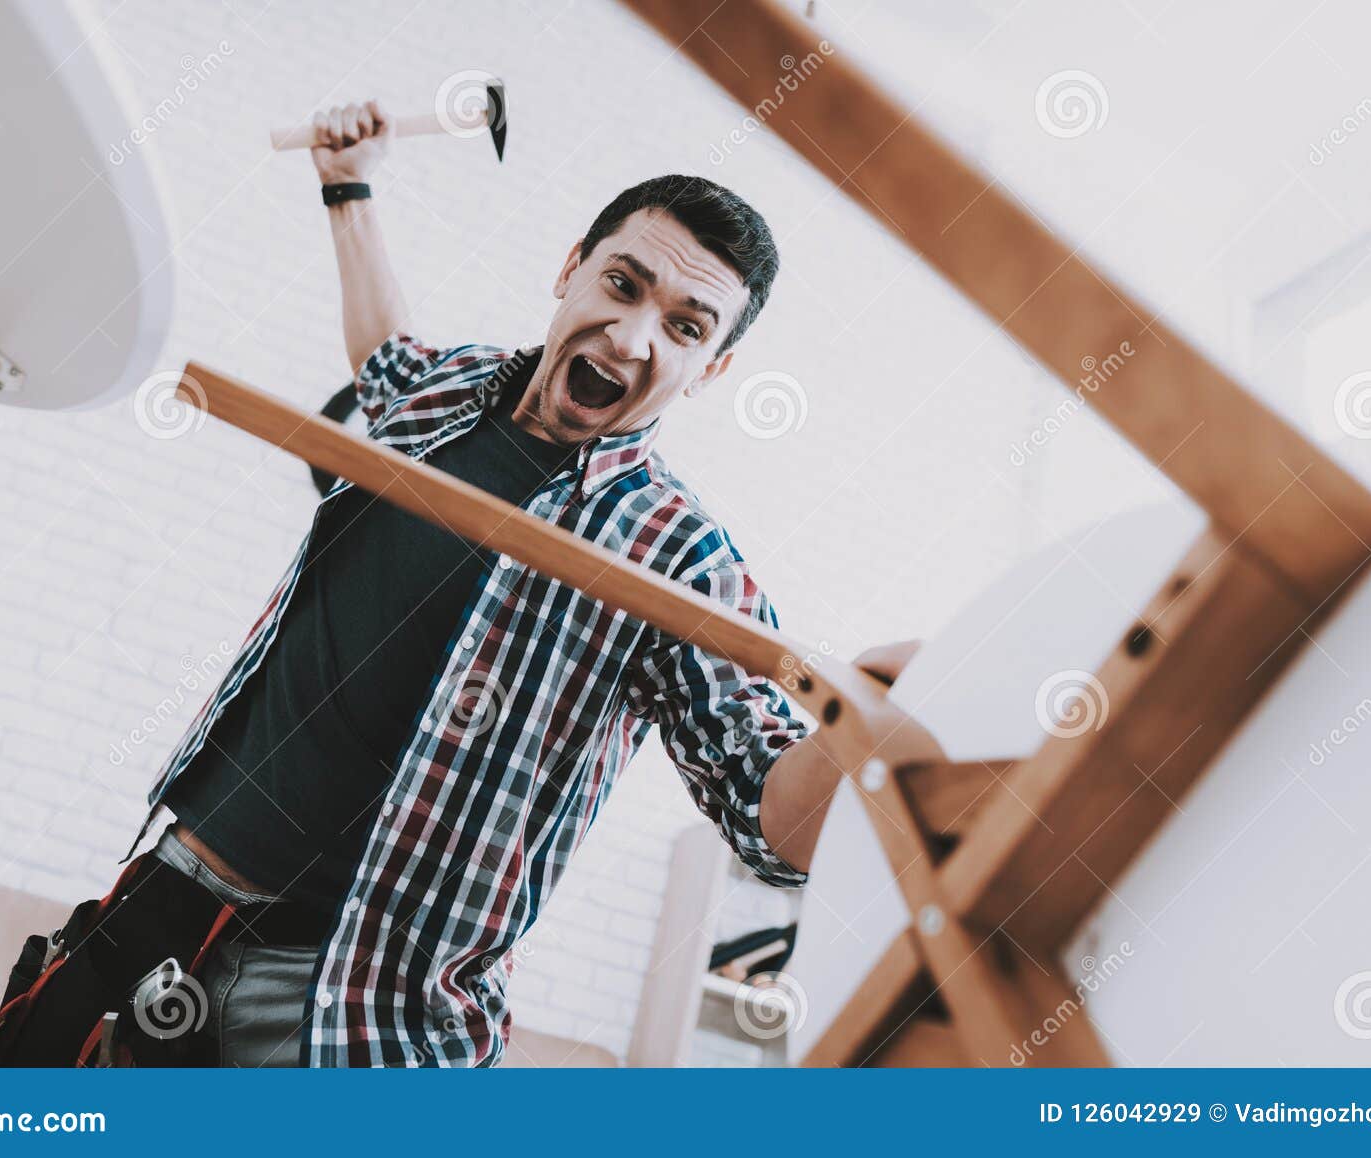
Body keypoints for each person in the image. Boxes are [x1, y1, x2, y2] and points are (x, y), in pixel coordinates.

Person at [118, 100, 938, 1066]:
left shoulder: (679, 560)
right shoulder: (445, 392)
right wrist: (348, 188)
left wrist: (866, 718)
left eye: (684, 327)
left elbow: (768, 823)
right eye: (623, 284)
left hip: (352, 1007)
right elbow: (382, 358)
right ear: (570, 269)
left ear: (711, 370)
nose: (632, 338)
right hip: (173, 887)